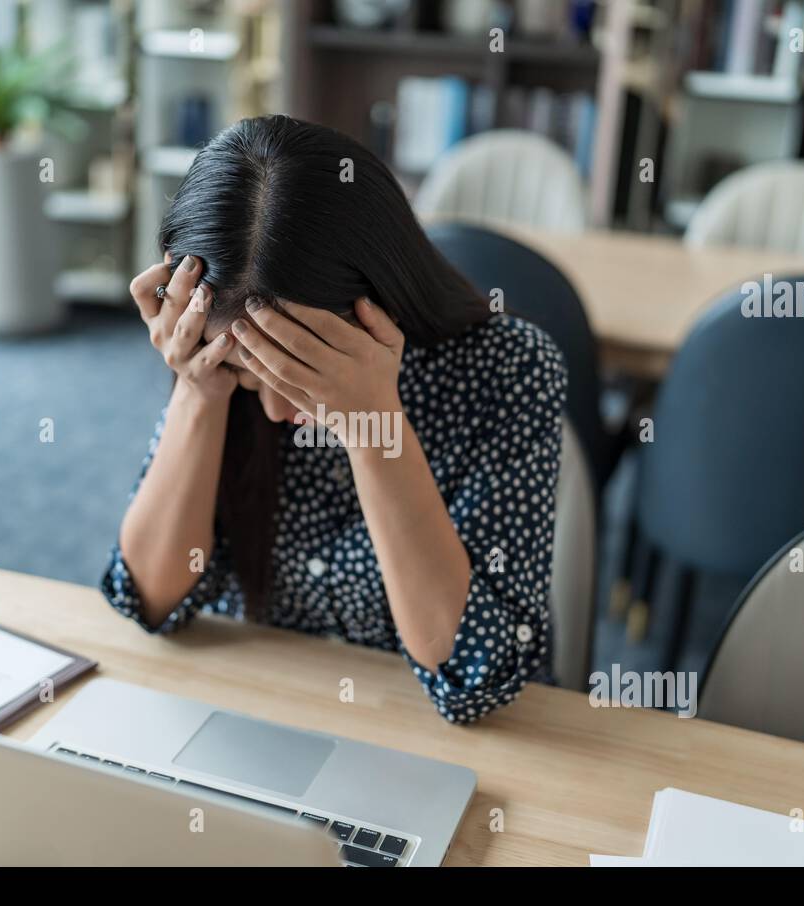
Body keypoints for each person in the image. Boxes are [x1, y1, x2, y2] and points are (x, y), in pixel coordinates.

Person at [102, 115, 568, 724]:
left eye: (302, 379)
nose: (273, 410)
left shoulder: (510, 369)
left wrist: (372, 421)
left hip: (442, 739)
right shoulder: (212, 366)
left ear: (382, 305)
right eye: (248, 377)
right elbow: (153, 600)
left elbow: (472, 679)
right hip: (273, 714)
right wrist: (200, 390)